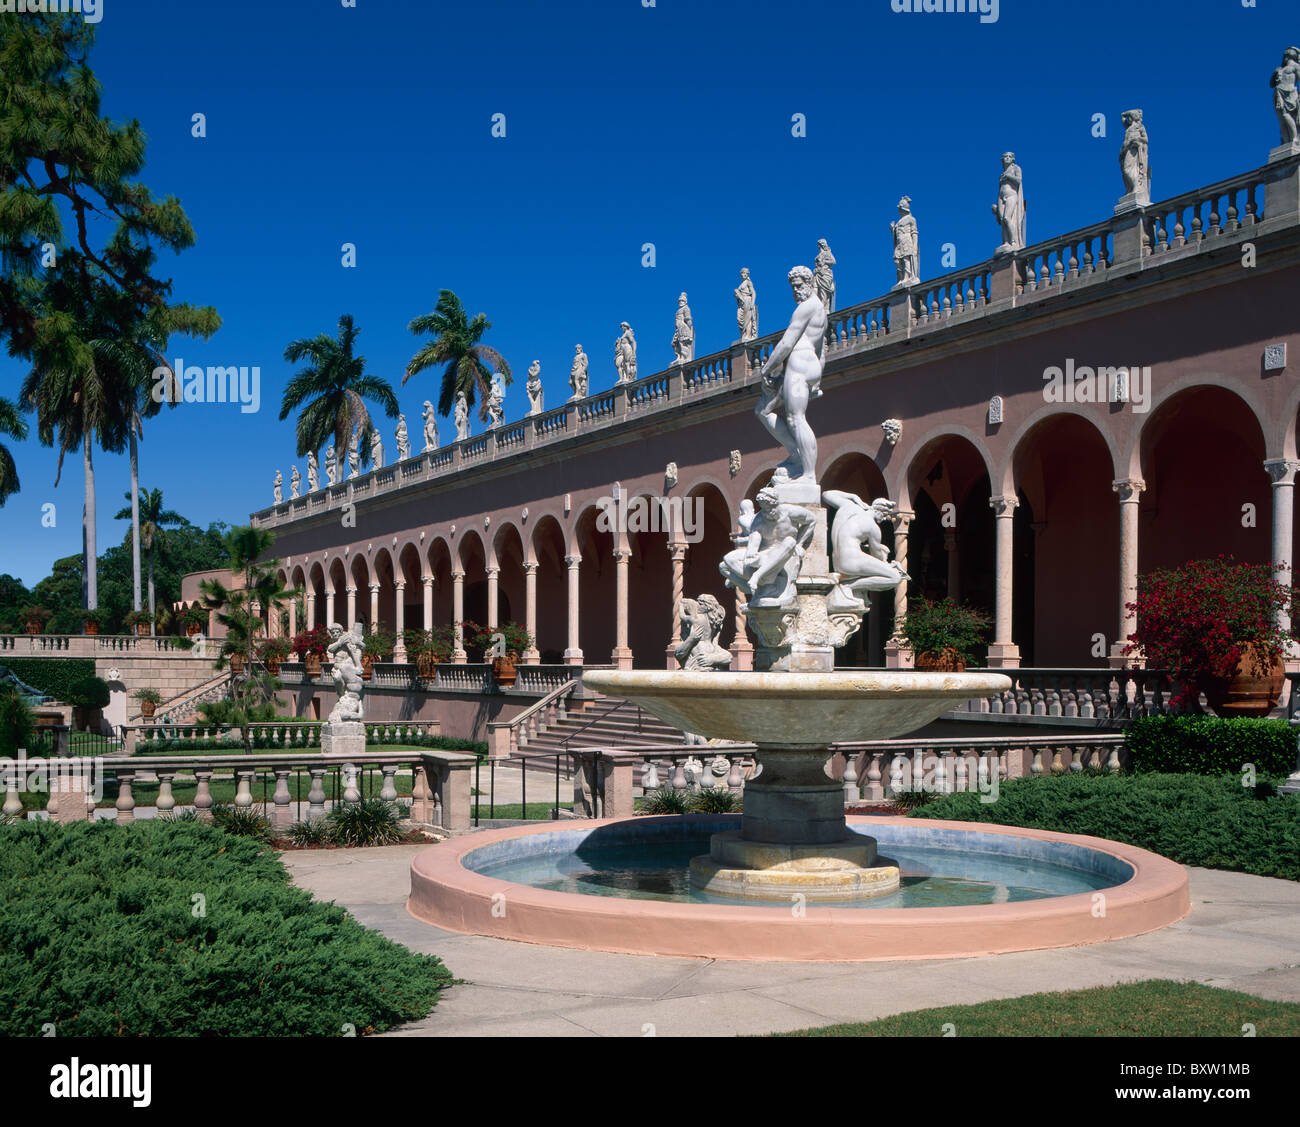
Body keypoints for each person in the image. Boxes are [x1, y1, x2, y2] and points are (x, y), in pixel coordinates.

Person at [755, 266, 826, 484]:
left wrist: (767, 369)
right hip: (804, 365)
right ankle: (796, 455)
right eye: (792, 287)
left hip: (799, 362)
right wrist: (818, 375)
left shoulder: (807, 307)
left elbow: (787, 342)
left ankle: (808, 474)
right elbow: (823, 349)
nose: (796, 291)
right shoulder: (820, 309)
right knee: (763, 410)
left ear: (810, 283)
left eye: (799, 286)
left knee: (796, 419)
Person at [719, 486, 816, 604]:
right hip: (765, 555)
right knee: (726, 562)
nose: (767, 513)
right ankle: (758, 582)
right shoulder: (759, 520)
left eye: (770, 509)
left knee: (790, 541)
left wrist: (800, 544)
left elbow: (812, 520)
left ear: (777, 504)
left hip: (783, 553)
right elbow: (753, 545)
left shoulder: (791, 512)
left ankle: (757, 578)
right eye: (764, 510)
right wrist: (751, 556)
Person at [822, 490, 908, 612]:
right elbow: (877, 554)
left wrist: (854, 496)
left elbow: (826, 494)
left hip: (838, 562)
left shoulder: (850, 507)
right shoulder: (873, 527)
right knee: (895, 578)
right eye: (884, 516)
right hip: (852, 561)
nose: (882, 520)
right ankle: (849, 586)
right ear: (880, 511)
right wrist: (890, 564)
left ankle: (848, 586)